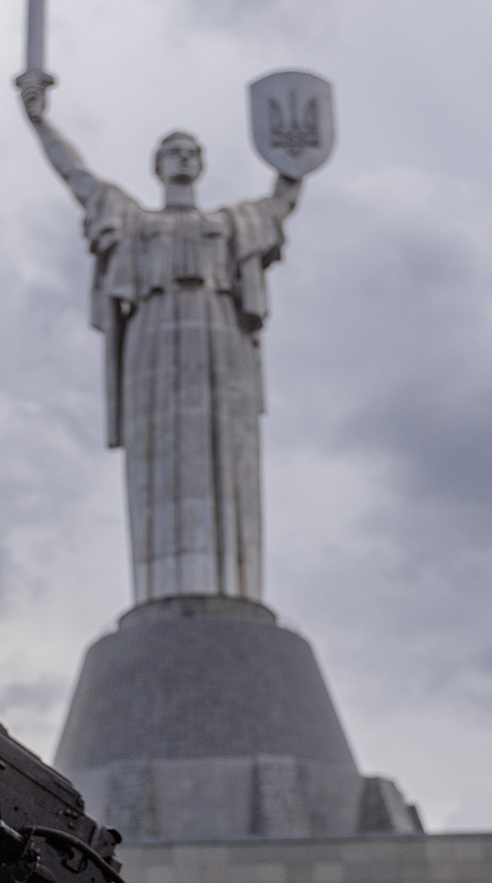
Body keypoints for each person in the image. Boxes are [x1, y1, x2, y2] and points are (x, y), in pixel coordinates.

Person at [21, 81, 300, 605]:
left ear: (201, 165)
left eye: (193, 151)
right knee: (158, 458)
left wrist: (295, 155)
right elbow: (76, 177)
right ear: (157, 164)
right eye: (174, 150)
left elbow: (282, 202)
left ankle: (232, 590)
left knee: (228, 455)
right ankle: (161, 592)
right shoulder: (132, 221)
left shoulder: (232, 223)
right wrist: (41, 122)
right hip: (151, 338)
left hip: (221, 335)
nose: (184, 157)